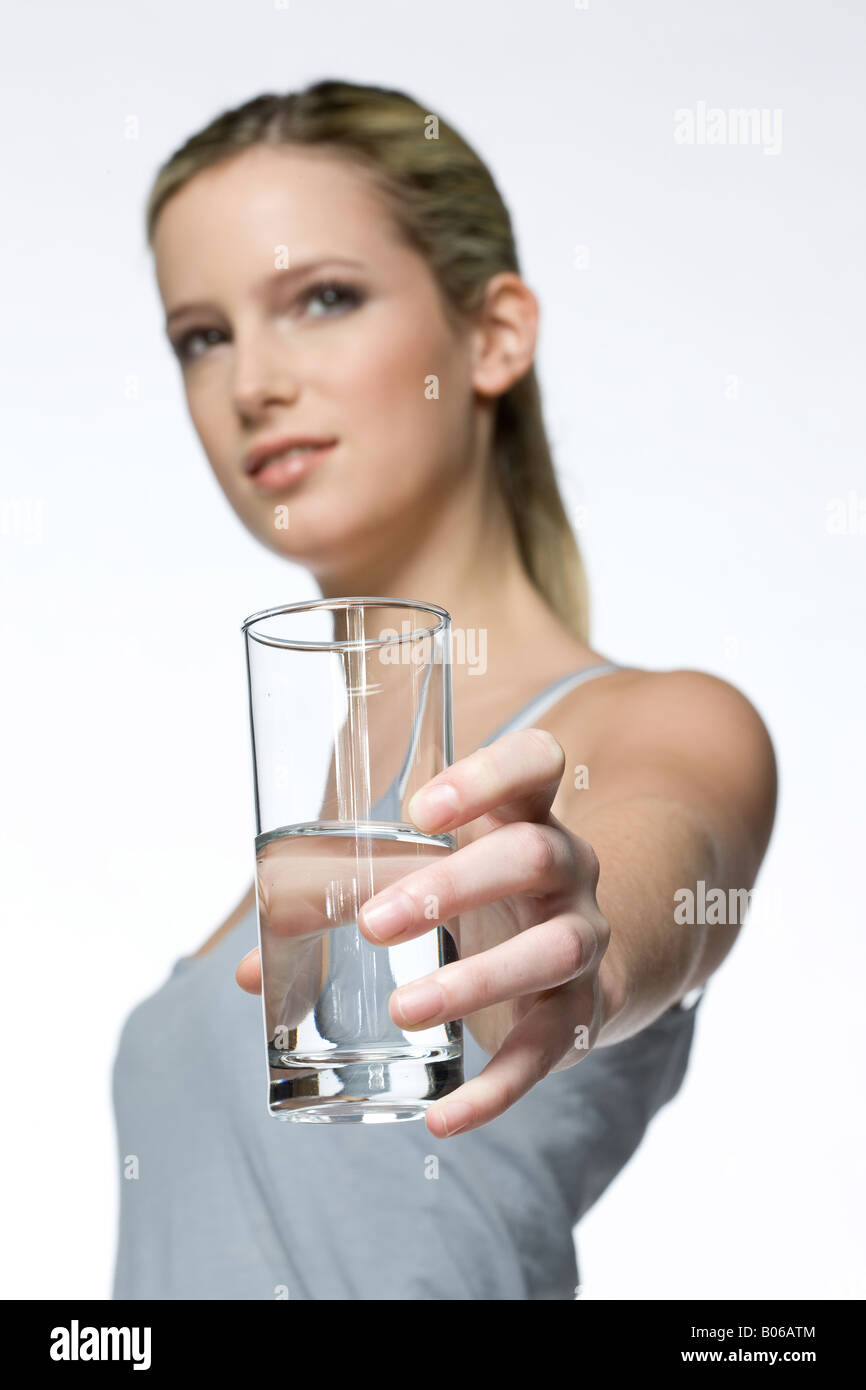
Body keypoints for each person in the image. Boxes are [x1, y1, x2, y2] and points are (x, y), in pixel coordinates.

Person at [110, 78, 777, 1300]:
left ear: (493, 334)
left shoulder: (655, 724)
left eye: (321, 298)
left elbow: (643, 871)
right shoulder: (295, 833)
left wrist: (584, 943)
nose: (252, 379)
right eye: (201, 334)